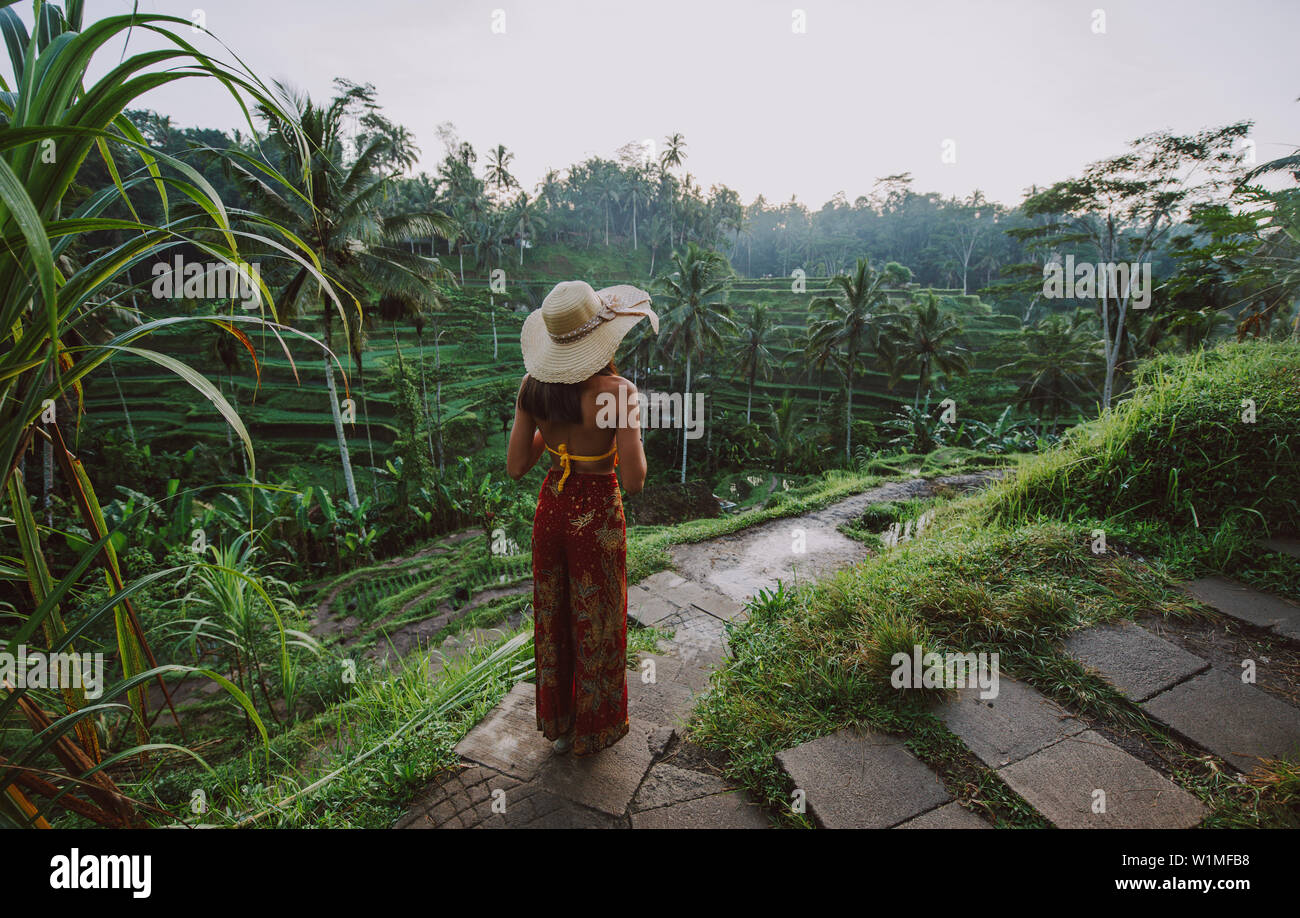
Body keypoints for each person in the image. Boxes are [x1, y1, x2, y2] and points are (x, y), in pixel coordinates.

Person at [506, 280, 657, 756]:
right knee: (600, 616)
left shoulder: (533, 388)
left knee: (554, 614)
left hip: (552, 507)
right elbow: (634, 480)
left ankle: (560, 719)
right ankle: (597, 726)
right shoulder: (620, 392)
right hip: (596, 514)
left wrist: (554, 437)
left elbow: (516, 467)